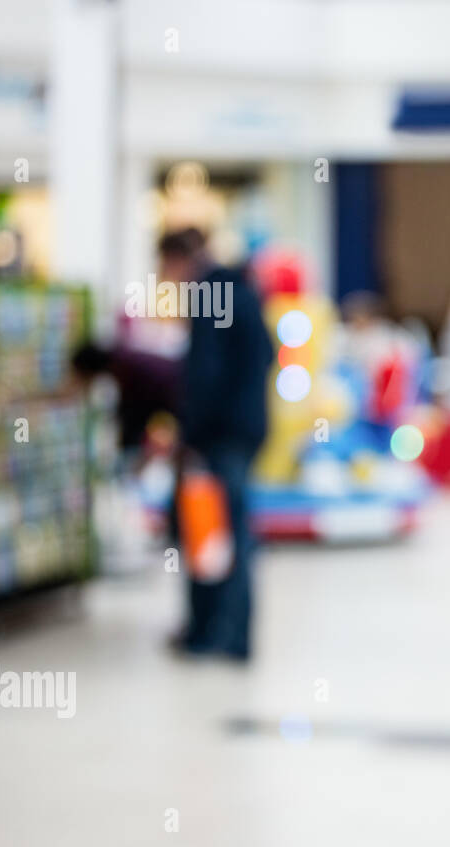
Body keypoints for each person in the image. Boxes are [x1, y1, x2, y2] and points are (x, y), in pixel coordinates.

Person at [163, 228, 274, 660]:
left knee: (211, 533)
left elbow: (204, 374)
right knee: (232, 532)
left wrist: (190, 434)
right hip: (245, 430)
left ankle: (211, 635)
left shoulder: (212, 292)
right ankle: (230, 635)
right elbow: (266, 352)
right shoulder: (241, 288)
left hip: (218, 436)